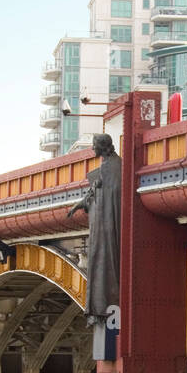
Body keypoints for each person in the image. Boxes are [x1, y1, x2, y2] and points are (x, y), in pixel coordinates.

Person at [67, 134, 122, 325]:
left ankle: (102, 309)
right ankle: (98, 308)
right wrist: (78, 205)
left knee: (104, 266)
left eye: (94, 146)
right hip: (100, 228)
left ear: (102, 147)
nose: (92, 149)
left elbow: (112, 196)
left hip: (107, 231)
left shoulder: (115, 168)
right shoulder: (108, 167)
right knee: (98, 265)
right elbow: (95, 195)